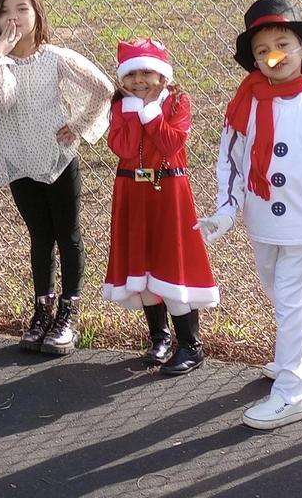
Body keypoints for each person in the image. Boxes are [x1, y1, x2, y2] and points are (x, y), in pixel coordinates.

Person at [199, 0, 302, 431]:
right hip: (262, 224)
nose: (273, 56)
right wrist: (226, 211)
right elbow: (229, 159)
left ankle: (291, 392)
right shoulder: (244, 104)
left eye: (282, 44)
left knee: (291, 304)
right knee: (284, 298)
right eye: (262, 50)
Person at [0, 0, 113, 355]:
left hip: (56, 158)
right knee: (39, 235)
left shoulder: (55, 57)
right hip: (19, 160)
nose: (13, 18)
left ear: (36, 14)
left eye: (21, 9)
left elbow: (103, 88)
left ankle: (69, 310)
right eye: (4, 11)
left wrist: (79, 125)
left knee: (67, 233)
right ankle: (42, 309)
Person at [101, 37, 217, 376]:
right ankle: (160, 337)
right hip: (132, 190)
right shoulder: (121, 105)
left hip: (169, 190)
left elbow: (169, 145)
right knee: (143, 262)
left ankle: (190, 344)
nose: (139, 81)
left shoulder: (179, 101)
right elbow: (122, 147)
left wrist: (150, 110)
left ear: (162, 75)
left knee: (171, 260)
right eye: (131, 75)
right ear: (122, 78)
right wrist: (134, 111)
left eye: (146, 73)